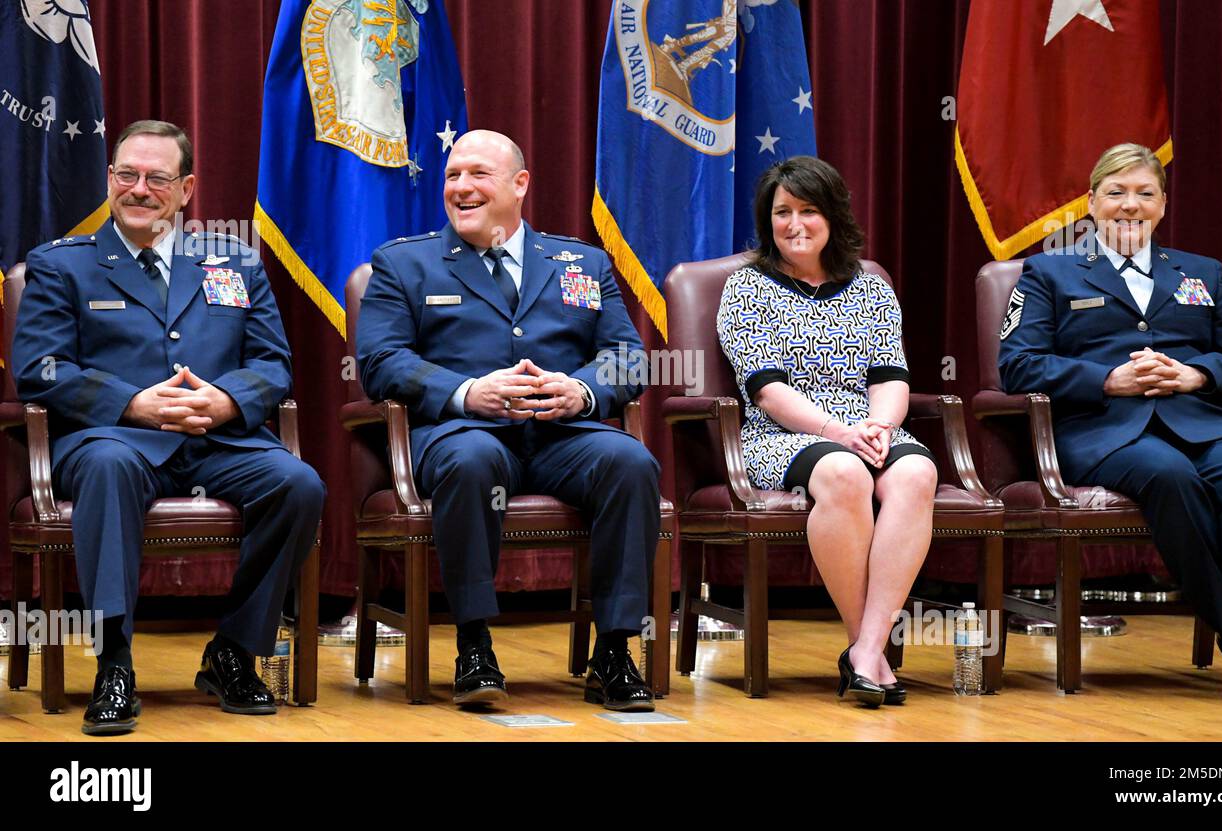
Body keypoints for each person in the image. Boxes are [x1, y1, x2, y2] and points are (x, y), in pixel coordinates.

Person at [13, 120, 325, 735]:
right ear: (110, 179)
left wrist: (226, 400)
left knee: (299, 483)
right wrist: (133, 403)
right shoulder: (60, 265)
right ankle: (114, 664)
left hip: (218, 439)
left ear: (186, 189)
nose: (139, 189)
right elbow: (39, 369)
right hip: (112, 440)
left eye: (157, 178)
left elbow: (273, 365)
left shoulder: (233, 261)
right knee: (108, 468)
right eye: (127, 175)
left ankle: (234, 650)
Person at [356, 130, 659, 711]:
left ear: (520, 185)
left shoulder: (584, 261)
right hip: (461, 434)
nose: (461, 188)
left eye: (478, 175)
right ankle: (474, 643)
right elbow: (379, 361)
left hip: (562, 435)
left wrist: (582, 391)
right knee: (472, 461)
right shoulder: (403, 263)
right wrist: (468, 391)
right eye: (452, 176)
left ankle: (615, 650)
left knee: (631, 461)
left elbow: (626, 357)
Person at [1000, 142, 1222, 708]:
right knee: (1170, 476)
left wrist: (1194, 375)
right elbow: (1017, 365)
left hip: (1206, 420)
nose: (1129, 206)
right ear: (1091, 203)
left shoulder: (1204, 272)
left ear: (1162, 204)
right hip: (1104, 428)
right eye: (1116, 193)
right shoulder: (1049, 272)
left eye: (1144, 193)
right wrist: (1106, 380)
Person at [716, 156, 939, 707]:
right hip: (783, 434)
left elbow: (891, 376)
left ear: (833, 217)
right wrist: (841, 433)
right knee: (842, 473)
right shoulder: (745, 288)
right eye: (782, 212)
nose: (795, 224)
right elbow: (767, 391)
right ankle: (866, 647)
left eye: (809, 211)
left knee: (916, 473)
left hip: (868, 426)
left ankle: (864, 652)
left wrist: (881, 426)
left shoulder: (869, 286)